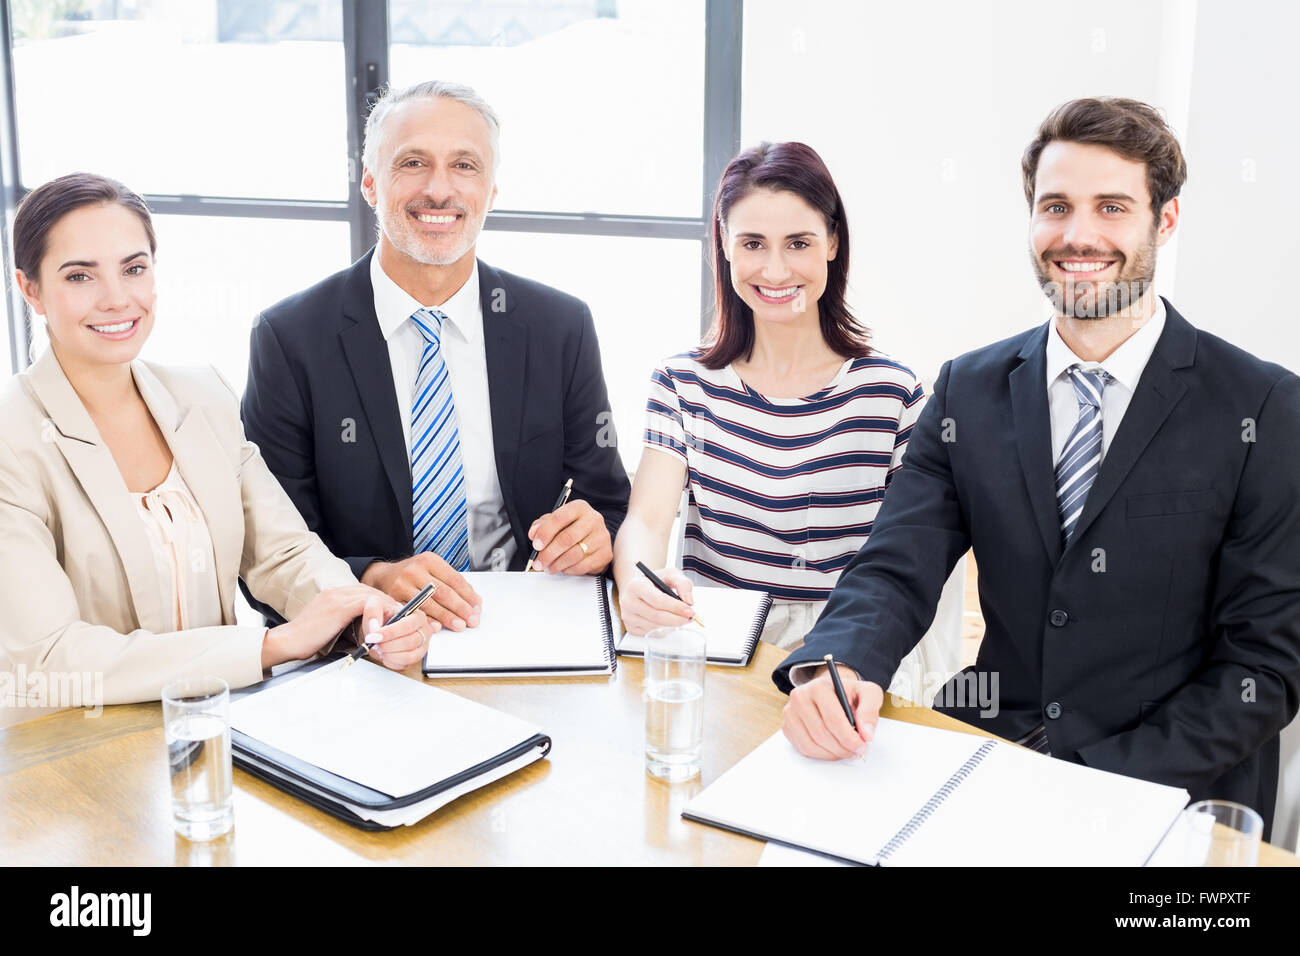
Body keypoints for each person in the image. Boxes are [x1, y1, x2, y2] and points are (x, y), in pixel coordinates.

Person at [775, 97, 1300, 835]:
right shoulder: (968, 388)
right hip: (993, 746)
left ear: (1166, 221)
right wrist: (840, 664)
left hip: (1177, 793)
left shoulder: (1264, 405)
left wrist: (1089, 785)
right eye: (1056, 206)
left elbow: (1266, 665)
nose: (1078, 235)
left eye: (1112, 207)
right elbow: (895, 566)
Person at [0, 174, 433, 723]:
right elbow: (48, 655)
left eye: (134, 268)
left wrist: (361, 613)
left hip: (220, 731)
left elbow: (283, 553)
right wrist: (269, 648)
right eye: (80, 275)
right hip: (74, 750)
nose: (117, 298)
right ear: (30, 288)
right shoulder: (11, 437)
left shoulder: (201, 395)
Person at [242, 80, 630, 632]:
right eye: (413, 162)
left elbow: (611, 505)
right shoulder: (289, 338)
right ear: (371, 184)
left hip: (526, 631)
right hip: (365, 641)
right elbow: (269, 550)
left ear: (492, 189)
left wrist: (597, 538)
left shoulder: (560, 327)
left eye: (465, 165)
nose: (439, 190)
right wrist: (371, 576)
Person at [613, 141, 960, 693]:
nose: (775, 270)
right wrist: (636, 581)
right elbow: (648, 521)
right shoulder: (682, 383)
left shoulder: (894, 394)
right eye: (753, 243)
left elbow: (909, 557)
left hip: (846, 649)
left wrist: (832, 649)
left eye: (798, 243)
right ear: (725, 246)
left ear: (832, 243)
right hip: (720, 642)